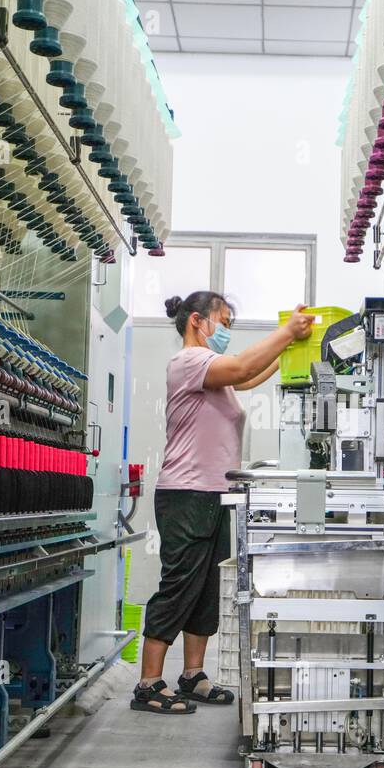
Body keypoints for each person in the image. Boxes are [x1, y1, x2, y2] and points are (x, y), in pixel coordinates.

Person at [133, 291, 314, 714]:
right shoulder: (189, 362)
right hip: (186, 493)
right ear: (198, 320)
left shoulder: (214, 374)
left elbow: (249, 377)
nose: (227, 331)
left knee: (206, 589)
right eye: (224, 322)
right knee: (179, 584)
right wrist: (285, 330)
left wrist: (292, 343)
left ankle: (192, 675)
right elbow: (244, 367)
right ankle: (147, 683)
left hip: (213, 493)